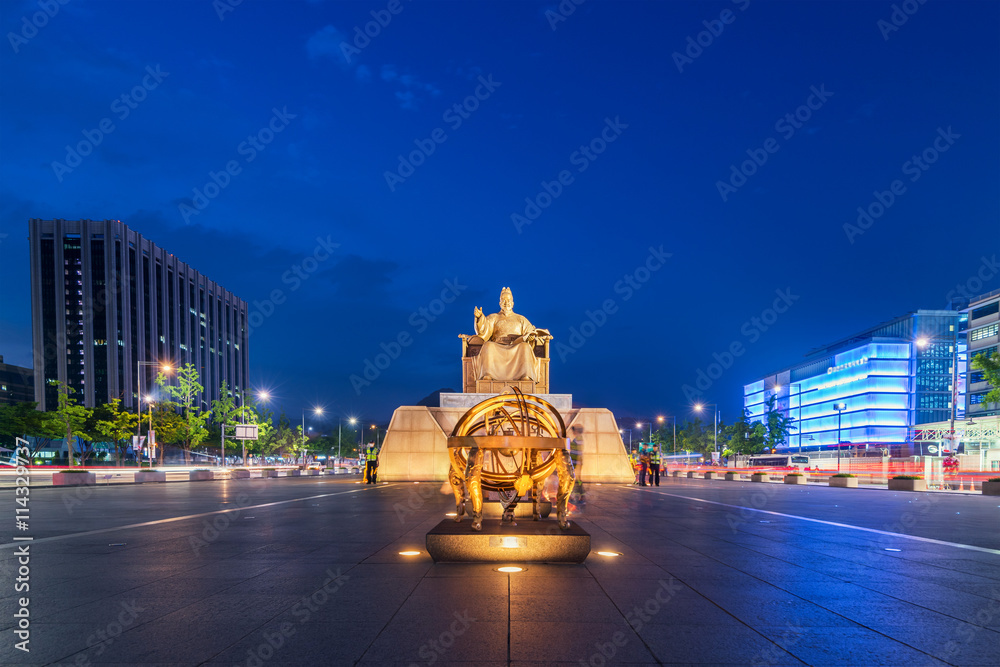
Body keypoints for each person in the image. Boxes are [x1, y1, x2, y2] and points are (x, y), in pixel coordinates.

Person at [470, 287, 551, 382]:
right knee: (488, 345)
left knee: (525, 347)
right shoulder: (494, 317)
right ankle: (488, 374)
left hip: (516, 347)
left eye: (508, 300)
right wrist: (480, 317)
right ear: (500, 303)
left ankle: (525, 375)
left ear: (512, 303)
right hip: (498, 347)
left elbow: (530, 331)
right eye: (503, 300)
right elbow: (484, 331)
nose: (506, 303)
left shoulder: (521, 319)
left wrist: (531, 337)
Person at [568, 424, 586, 507]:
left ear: (577, 431)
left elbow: (578, 451)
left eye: (574, 430)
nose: (573, 432)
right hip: (575, 462)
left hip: (576, 463)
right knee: (576, 480)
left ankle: (581, 497)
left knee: (576, 480)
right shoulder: (577, 439)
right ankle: (578, 496)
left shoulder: (579, 439)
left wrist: (578, 464)